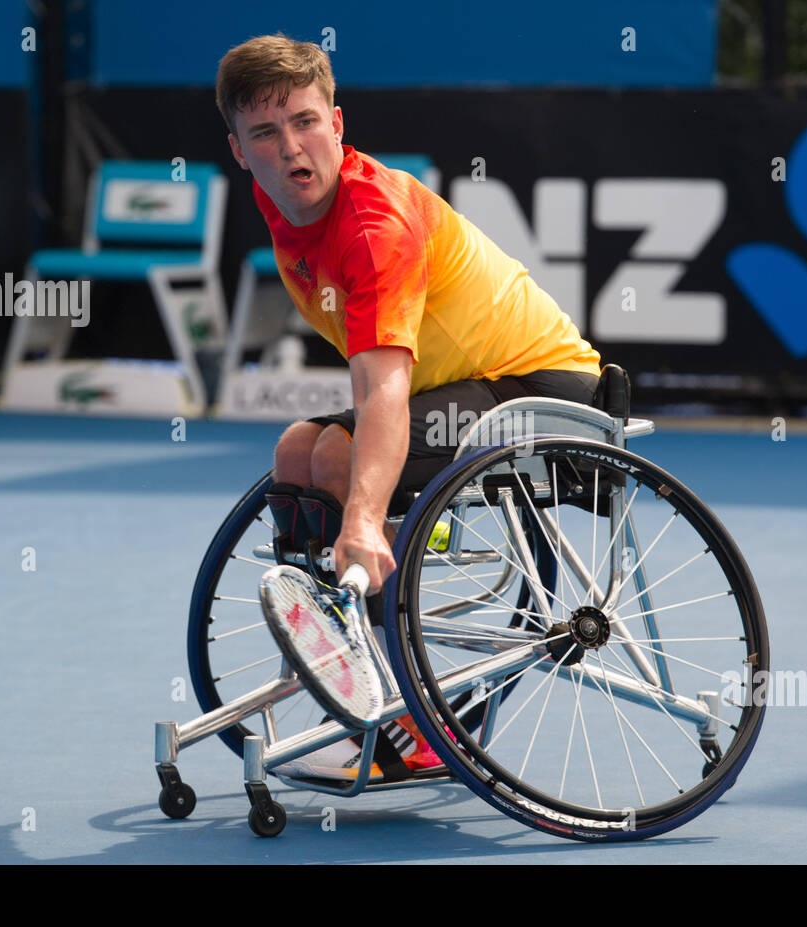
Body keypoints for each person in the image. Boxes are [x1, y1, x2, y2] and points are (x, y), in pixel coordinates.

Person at [216, 33, 602, 779]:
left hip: (540, 390)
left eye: (304, 121)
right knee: (297, 451)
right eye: (264, 132)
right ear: (238, 150)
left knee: (338, 458)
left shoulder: (372, 223)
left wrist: (362, 519)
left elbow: (385, 387)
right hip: (456, 391)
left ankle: (419, 723)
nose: (290, 145)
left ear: (336, 121)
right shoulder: (283, 202)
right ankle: (331, 653)